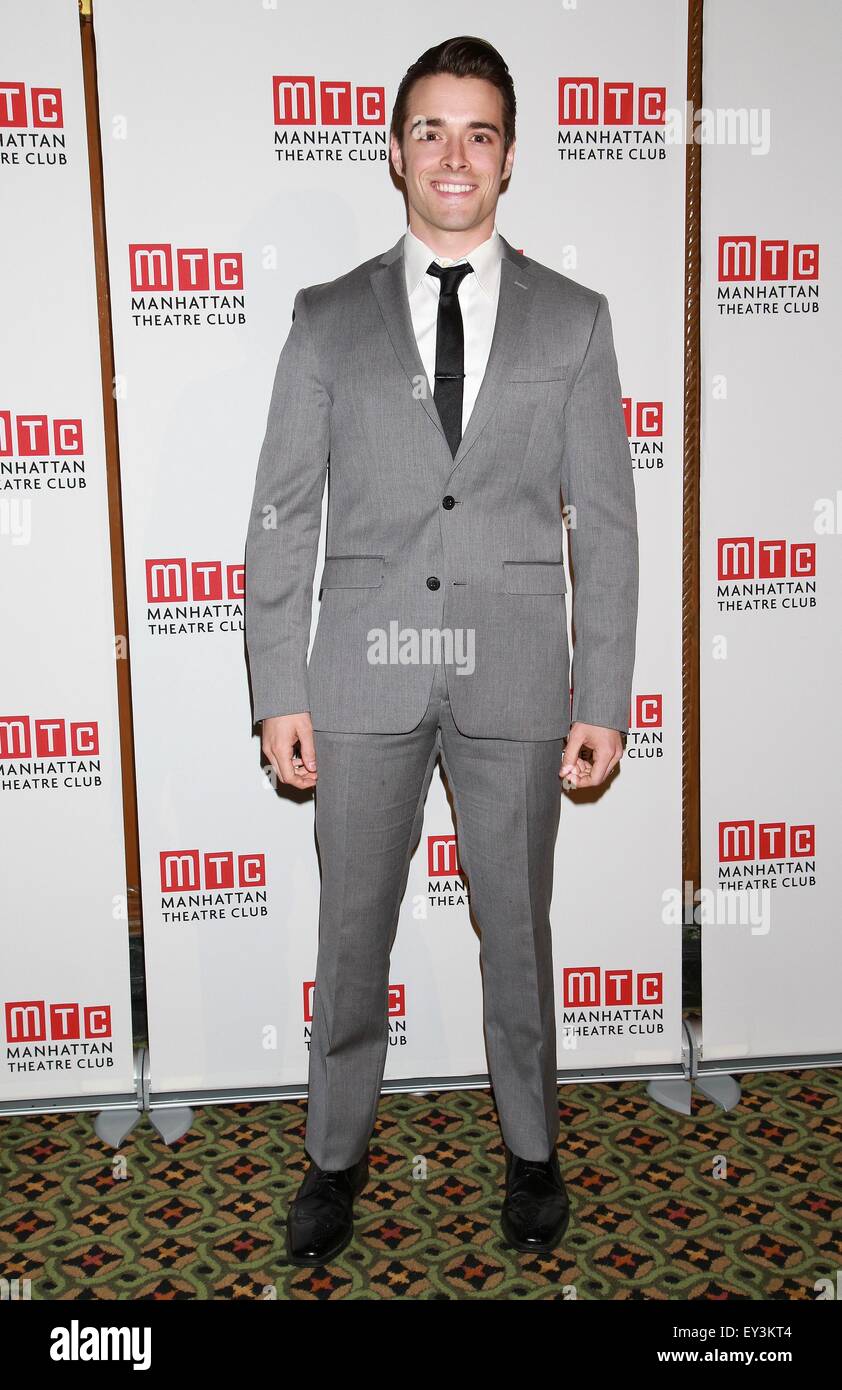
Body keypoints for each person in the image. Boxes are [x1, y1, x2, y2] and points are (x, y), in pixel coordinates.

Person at [244, 35, 639, 1266]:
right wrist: (276, 688)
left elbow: (608, 523)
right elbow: (280, 512)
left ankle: (531, 1152)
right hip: (359, 674)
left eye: (477, 132)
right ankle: (333, 1158)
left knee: (515, 931)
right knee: (350, 932)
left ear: (509, 157)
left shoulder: (575, 320)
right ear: (394, 152)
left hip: (517, 673)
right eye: (429, 130)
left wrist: (605, 694)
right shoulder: (324, 318)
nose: (452, 154)